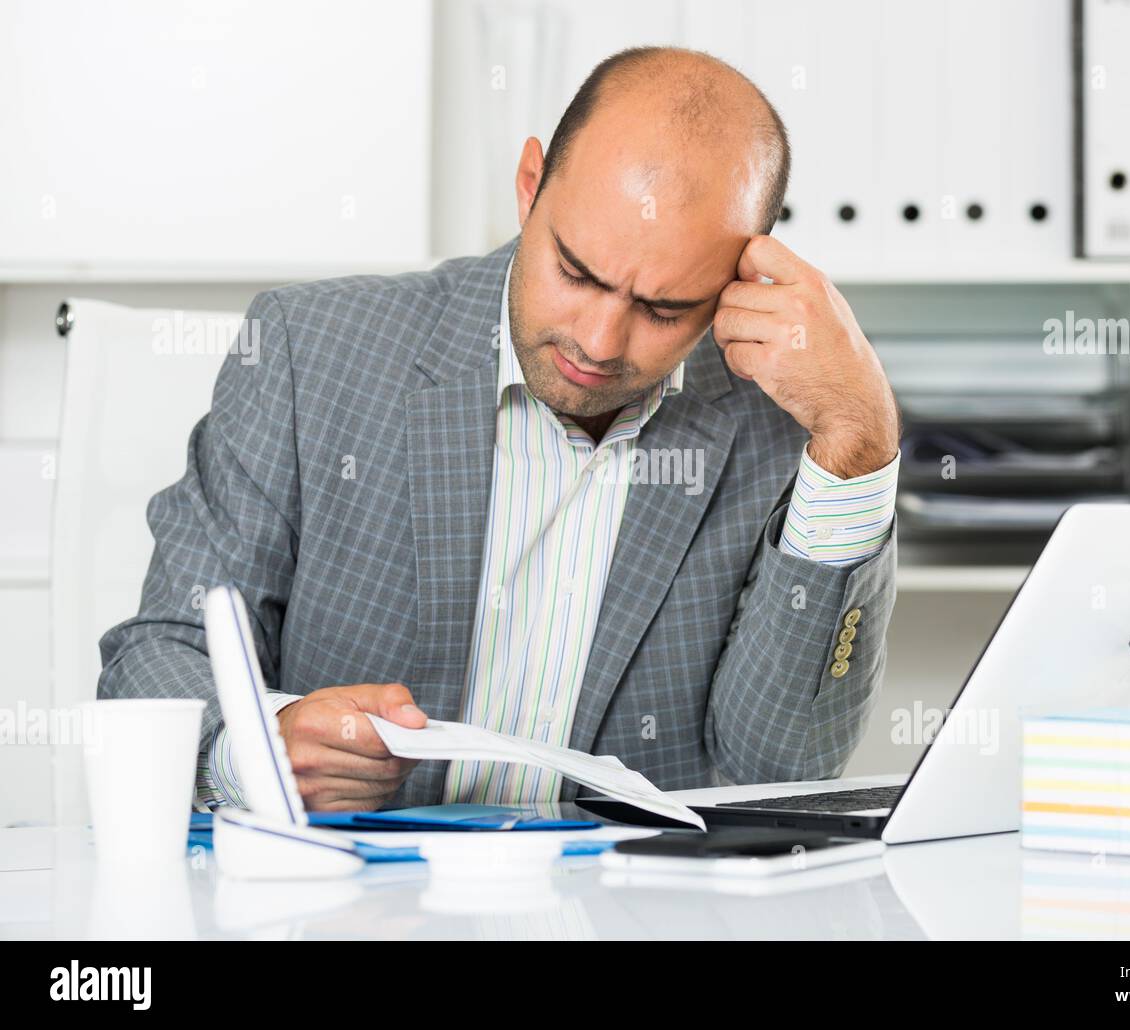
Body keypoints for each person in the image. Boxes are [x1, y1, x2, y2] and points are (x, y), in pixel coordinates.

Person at [99, 46, 900, 811]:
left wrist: (858, 448)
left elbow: (780, 772)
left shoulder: (781, 427)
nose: (598, 342)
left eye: (664, 308)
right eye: (576, 272)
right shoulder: (309, 354)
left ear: (742, 277)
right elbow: (155, 657)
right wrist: (256, 749)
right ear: (529, 186)